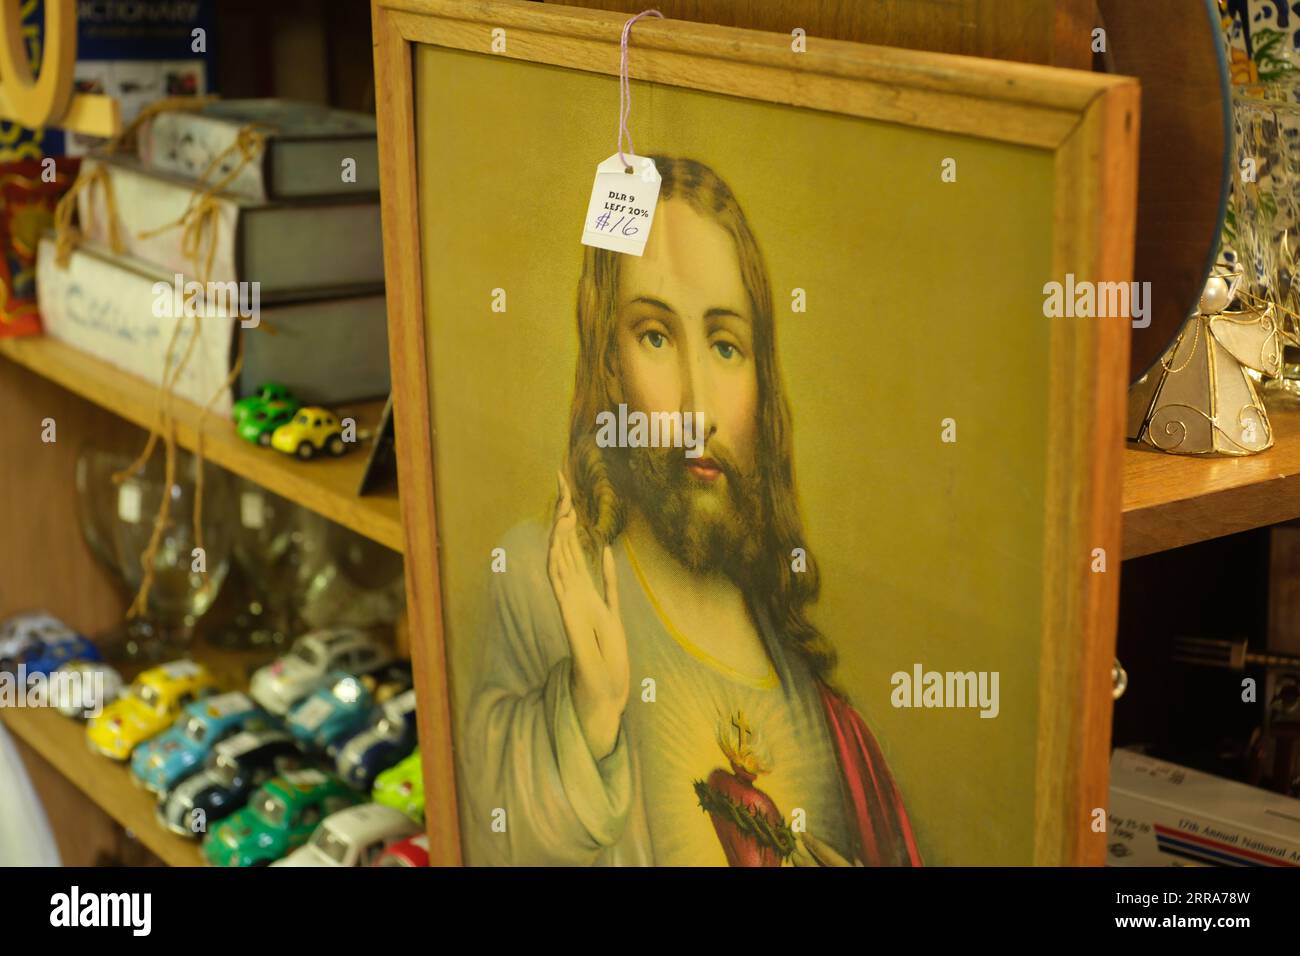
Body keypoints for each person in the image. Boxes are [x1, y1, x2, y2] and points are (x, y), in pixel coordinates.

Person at [464, 157, 921, 867]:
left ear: (763, 383)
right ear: (605, 360)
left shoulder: (829, 720)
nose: (695, 411)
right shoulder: (540, 577)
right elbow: (496, 840)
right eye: (653, 335)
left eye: (726, 345)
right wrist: (591, 714)